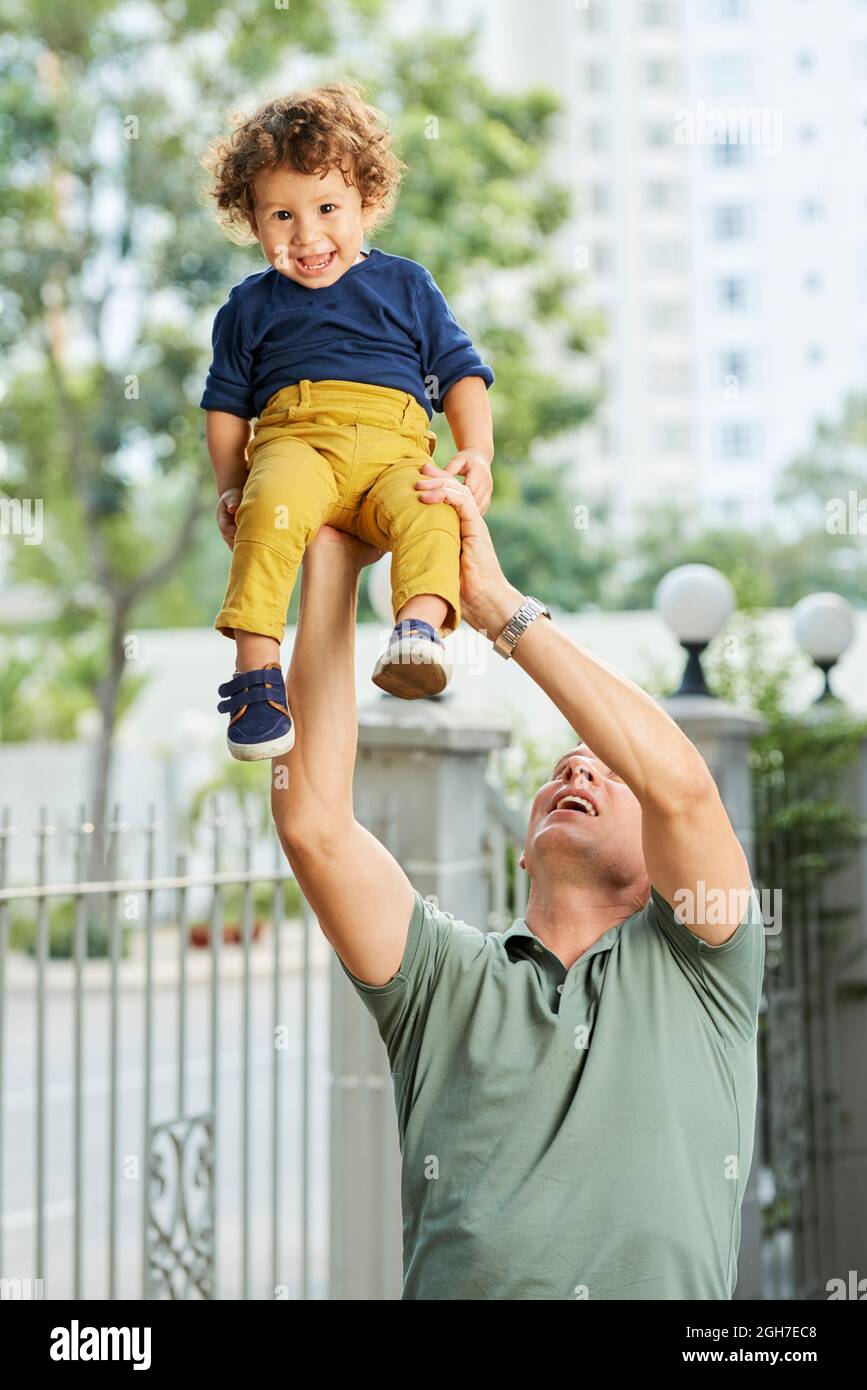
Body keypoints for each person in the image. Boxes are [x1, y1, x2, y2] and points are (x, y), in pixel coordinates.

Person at [271, 466, 767, 1302]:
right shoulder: (440, 979)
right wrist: (330, 558)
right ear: (526, 852)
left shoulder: (703, 965)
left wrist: (494, 605)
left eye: (611, 774)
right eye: (563, 766)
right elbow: (313, 823)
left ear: (667, 862)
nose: (578, 763)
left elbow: (679, 786)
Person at [199, 80, 495, 759]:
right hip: (297, 442)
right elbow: (224, 408)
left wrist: (475, 452)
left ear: (369, 200)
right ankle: (255, 677)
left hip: (395, 450)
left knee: (432, 510)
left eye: (327, 207)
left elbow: (460, 376)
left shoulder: (406, 284)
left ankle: (416, 633)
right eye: (280, 216)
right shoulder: (248, 306)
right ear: (250, 218)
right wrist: (230, 483)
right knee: (268, 511)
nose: (306, 236)